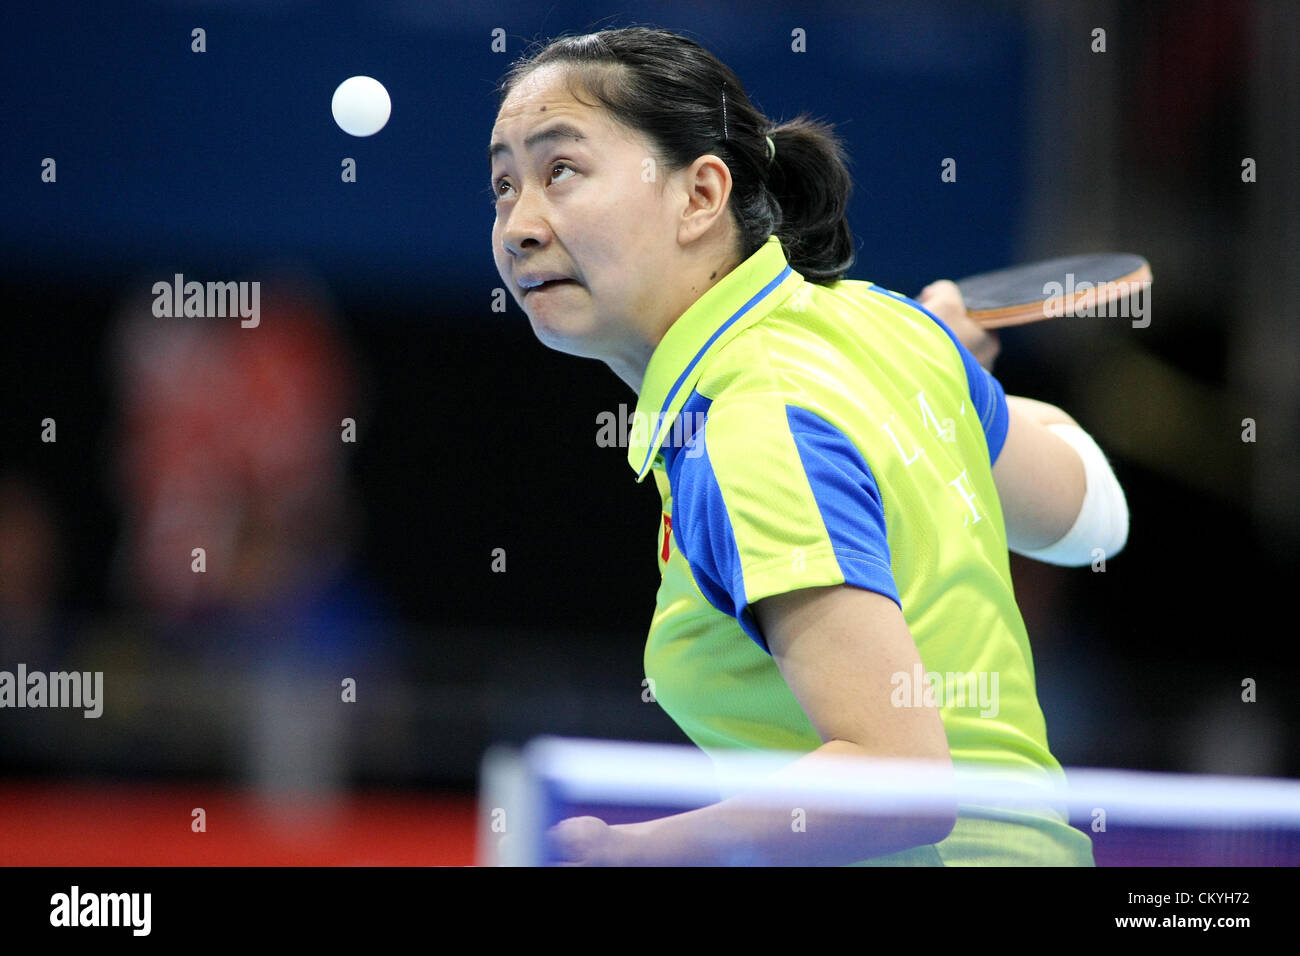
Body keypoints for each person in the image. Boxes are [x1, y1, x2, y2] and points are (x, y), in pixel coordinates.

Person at [488, 27, 1128, 865]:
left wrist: (637, 849)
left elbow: (901, 784)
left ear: (701, 195)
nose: (519, 226)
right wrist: (951, 383)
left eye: (560, 171)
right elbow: (1094, 520)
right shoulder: (883, 328)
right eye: (503, 185)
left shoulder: (752, 424)